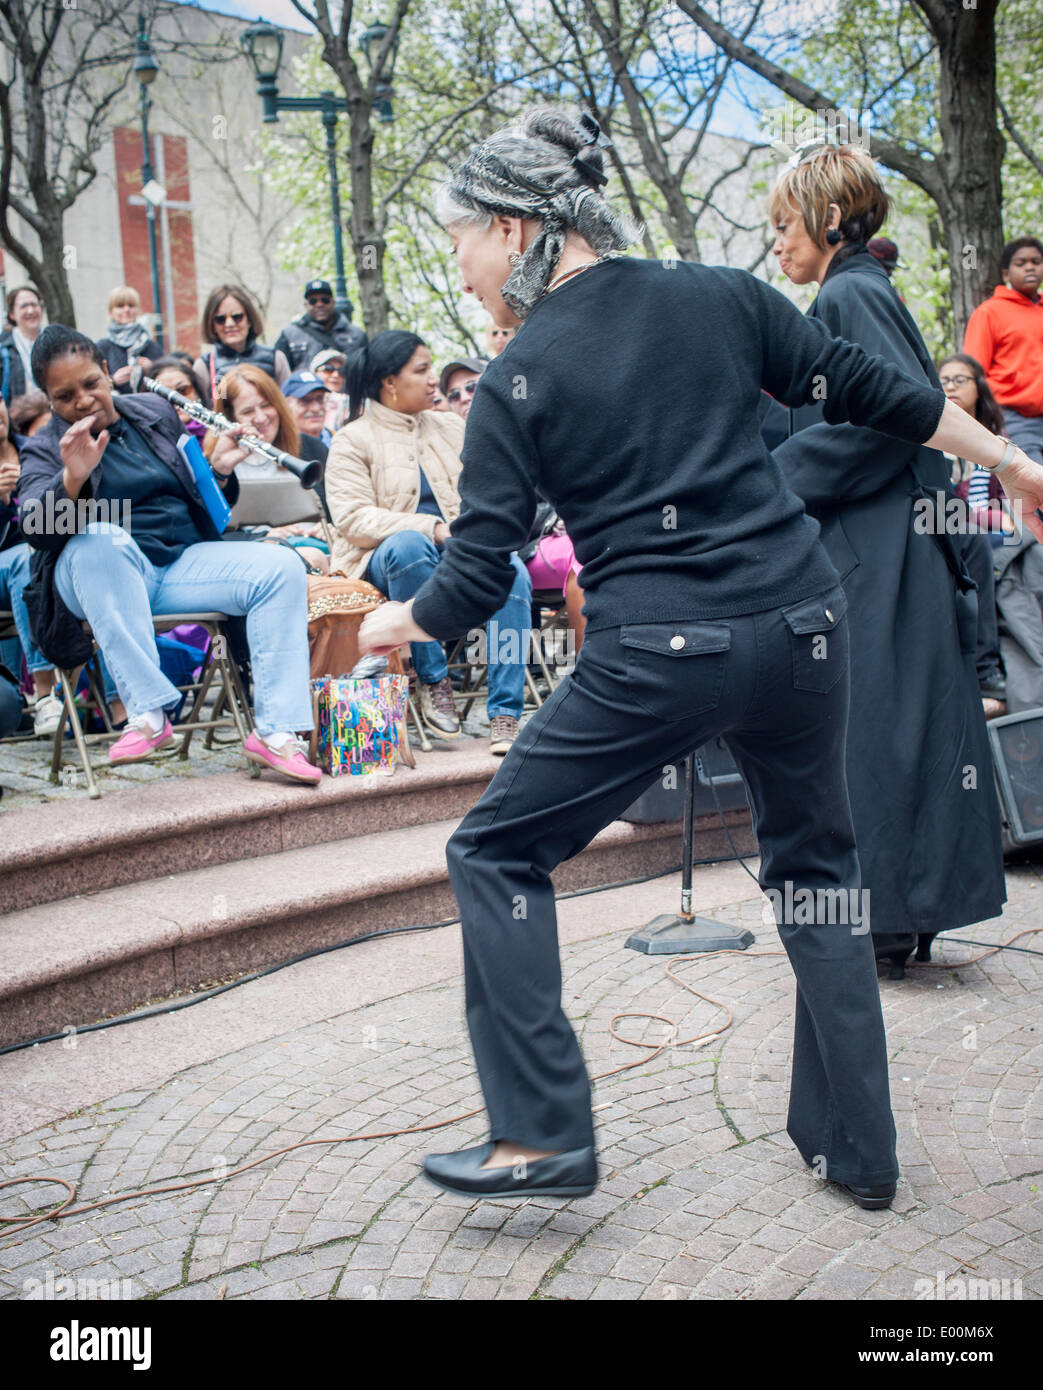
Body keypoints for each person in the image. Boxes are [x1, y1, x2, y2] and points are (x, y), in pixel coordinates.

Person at [355, 106, 1043, 1209]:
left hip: (662, 650)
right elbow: (879, 394)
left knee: (494, 853)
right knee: (818, 871)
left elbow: (478, 575)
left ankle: (538, 1135)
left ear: (509, 224)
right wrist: (1006, 460)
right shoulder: (716, 294)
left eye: (459, 244)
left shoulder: (518, 375)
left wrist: (402, 621)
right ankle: (856, 1150)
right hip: (803, 625)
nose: (463, 271)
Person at [768, 143, 1007, 984]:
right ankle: (907, 917)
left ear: (828, 218)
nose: (776, 243)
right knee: (909, 726)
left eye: (783, 224)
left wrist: (770, 483)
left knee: (874, 732)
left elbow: (885, 420)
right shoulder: (862, 288)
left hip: (877, 546)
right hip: (897, 539)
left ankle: (882, 925)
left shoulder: (847, 293)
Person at [17, 326, 321, 784]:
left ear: (106, 371)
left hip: (179, 564)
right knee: (101, 536)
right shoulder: (46, 448)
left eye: (90, 384)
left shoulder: (155, 412)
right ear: (49, 399)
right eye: (64, 396)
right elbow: (35, 530)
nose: (81, 400)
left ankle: (278, 732)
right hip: (100, 577)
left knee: (279, 567)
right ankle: (148, 713)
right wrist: (72, 480)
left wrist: (217, 468)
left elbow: (204, 504)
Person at [325, 330, 531, 755]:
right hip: (381, 558)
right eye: (421, 370)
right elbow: (352, 519)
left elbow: (486, 491)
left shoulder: (451, 427)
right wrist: (431, 526)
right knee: (408, 545)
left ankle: (505, 713)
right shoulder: (351, 439)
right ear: (389, 382)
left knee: (507, 567)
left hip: (456, 550)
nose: (433, 378)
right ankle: (434, 681)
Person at [442, 353, 586, 649]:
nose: (464, 398)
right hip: (512, 550)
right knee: (583, 552)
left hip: (547, 537)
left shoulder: (520, 424)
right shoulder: (447, 447)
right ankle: (592, 671)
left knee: (603, 544)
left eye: (471, 387)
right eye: (454, 395)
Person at [936, 352, 1009, 720]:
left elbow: (1007, 512)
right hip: (960, 536)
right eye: (944, 380)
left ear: (978, 388)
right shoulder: (932, 443)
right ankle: (983, 670)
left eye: (959, 380)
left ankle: (989, 670)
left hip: (997, 538)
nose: (949, 386)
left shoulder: (997, 444)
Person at [0, 395, 62, 735]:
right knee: (27, 558)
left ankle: (114, 706)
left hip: (42, 564)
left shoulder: (33, 449)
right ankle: (43, 695)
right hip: (17, 565)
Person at [963, 237, 1043, 465]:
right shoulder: (990, 312)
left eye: (1036, 261)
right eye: (1021, 263)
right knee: (1036, 487)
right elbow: (973, 371)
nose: (1030, 267)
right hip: (1013, 419)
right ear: (1006, 274)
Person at [193, 285, 290, 407]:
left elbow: (288, 407)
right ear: (212, 325)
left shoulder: (276, 358)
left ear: (249, 320)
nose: (229, 324)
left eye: (237, 317)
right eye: (220, 319)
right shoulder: (204, 367)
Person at [274, 280, 366, 372]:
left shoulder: (356, 335)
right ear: (306, 305)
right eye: (313, 301)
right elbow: (279, 371)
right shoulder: (289, 335)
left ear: (333, 302)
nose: (319, 304)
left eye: (325, 300)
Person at [96, 287, 162, 392]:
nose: (126, 310)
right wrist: (112, 381)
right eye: (120, 306)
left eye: (131, 305)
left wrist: (153, 370)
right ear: (111, 312)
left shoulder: (152, 346)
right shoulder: (102, 347)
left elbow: (166, 381)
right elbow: (93, 383)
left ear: (138, 310)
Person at [1, 286, 46, 403]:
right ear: (12, 314)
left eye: (34, 305)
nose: (31, 311)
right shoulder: (3, 348)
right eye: (24, 306)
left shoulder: (57, 342)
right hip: (19, 418)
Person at [282, 370, 332, 447]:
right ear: (286, 407)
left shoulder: (338, 441)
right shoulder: (280, 446)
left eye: (320, 399)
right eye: (306, 400)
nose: (316, 408)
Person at [310, 349, 350, 432]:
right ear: (314, 372)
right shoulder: (300, 399)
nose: (336, 375)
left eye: (341, 371)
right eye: (328, 369)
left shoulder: (350, 403)